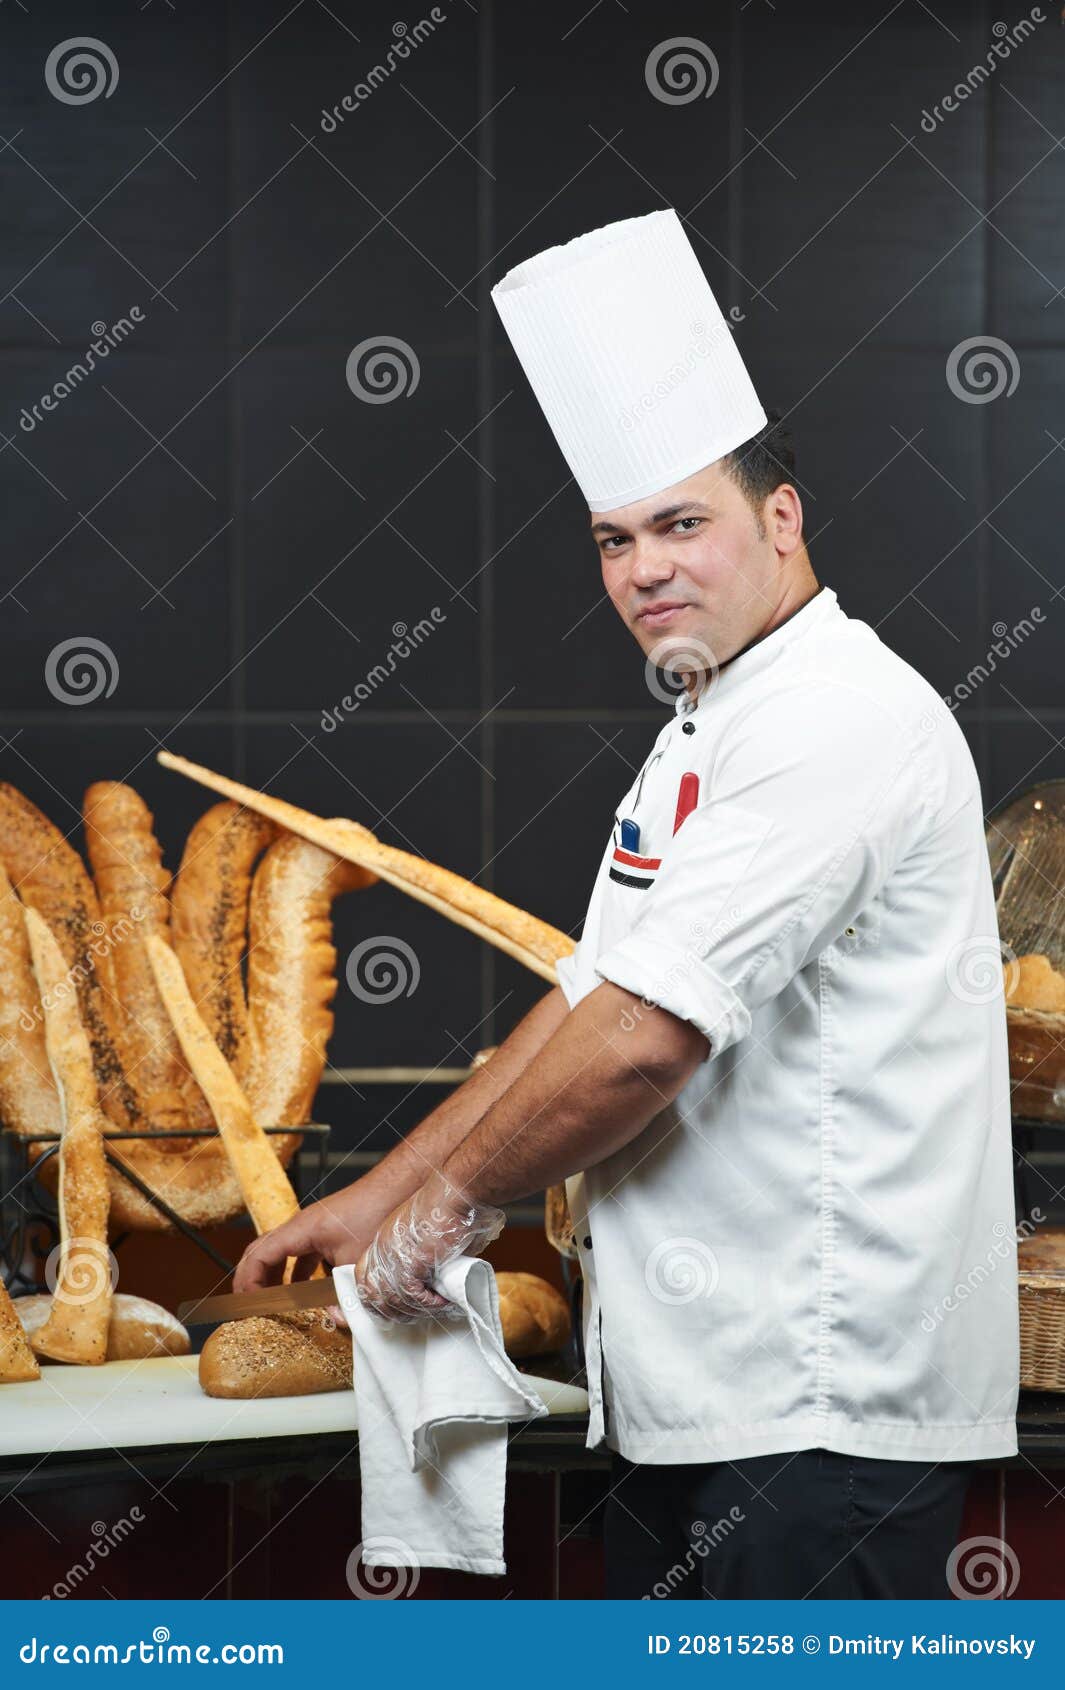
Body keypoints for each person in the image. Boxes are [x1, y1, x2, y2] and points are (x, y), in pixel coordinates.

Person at [234, 210, 1019, 1599]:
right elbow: (593, 992)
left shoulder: (830, 717)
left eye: (679, 523)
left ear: (781, 520)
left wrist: (451, 1207)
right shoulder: (709, 723)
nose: (642, 566)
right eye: (612, 537)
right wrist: (382, 1193)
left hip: (820, 1406)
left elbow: (642, 1044)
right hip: (702, 1399)